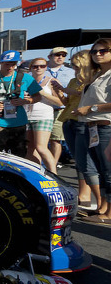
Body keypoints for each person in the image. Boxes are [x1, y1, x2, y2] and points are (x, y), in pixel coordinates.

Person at [54, 51, 102, 211]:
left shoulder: (94, 79)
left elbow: (89, 96)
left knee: (87, 163)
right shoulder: (75, 80)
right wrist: (60, 91)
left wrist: (70, 91)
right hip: (69, 119)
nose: (72, 66)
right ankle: (85, 195)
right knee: (79, 161)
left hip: (84, 123)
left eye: (75, 63)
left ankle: (99, 201)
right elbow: (68, 102)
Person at [72, 38, 111, 224]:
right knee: (101, 170)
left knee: (108, 170)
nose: (97, 54)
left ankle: (109, 213)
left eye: (103, 50)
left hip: (105, 126)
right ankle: (103, 207)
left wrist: (91, 109)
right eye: (94, 51)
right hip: (91, 126)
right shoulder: (97, 75)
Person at [0, 50, 43, 157]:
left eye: (13, 64)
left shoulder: (26, 78)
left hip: (18, 123)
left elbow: (38, 96)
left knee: (19, 155)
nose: (10, 67)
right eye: (7, 64)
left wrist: (26, 101)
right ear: (1, 63)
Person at [23, 58, 62, 172]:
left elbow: (60, 102)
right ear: (30, 68)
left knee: (41, 147)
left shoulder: (52, 81)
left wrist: (42, 93)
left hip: (43, 116)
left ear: (46, 67)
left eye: (42, 66)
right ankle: (36, 173)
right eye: (35, 66)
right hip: (27, 116)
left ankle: (54, 175)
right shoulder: (26, 81)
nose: (39, 68)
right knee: (30, 148)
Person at [46, 47, 75, 165]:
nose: (60, 57)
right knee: (41, 141)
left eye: (63, 55)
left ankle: (53, 165)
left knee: (56, 139)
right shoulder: (42, 70)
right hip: (44, 109)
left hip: (61, 109)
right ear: (50, 57)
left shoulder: (71, 72)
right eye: (57, 55)